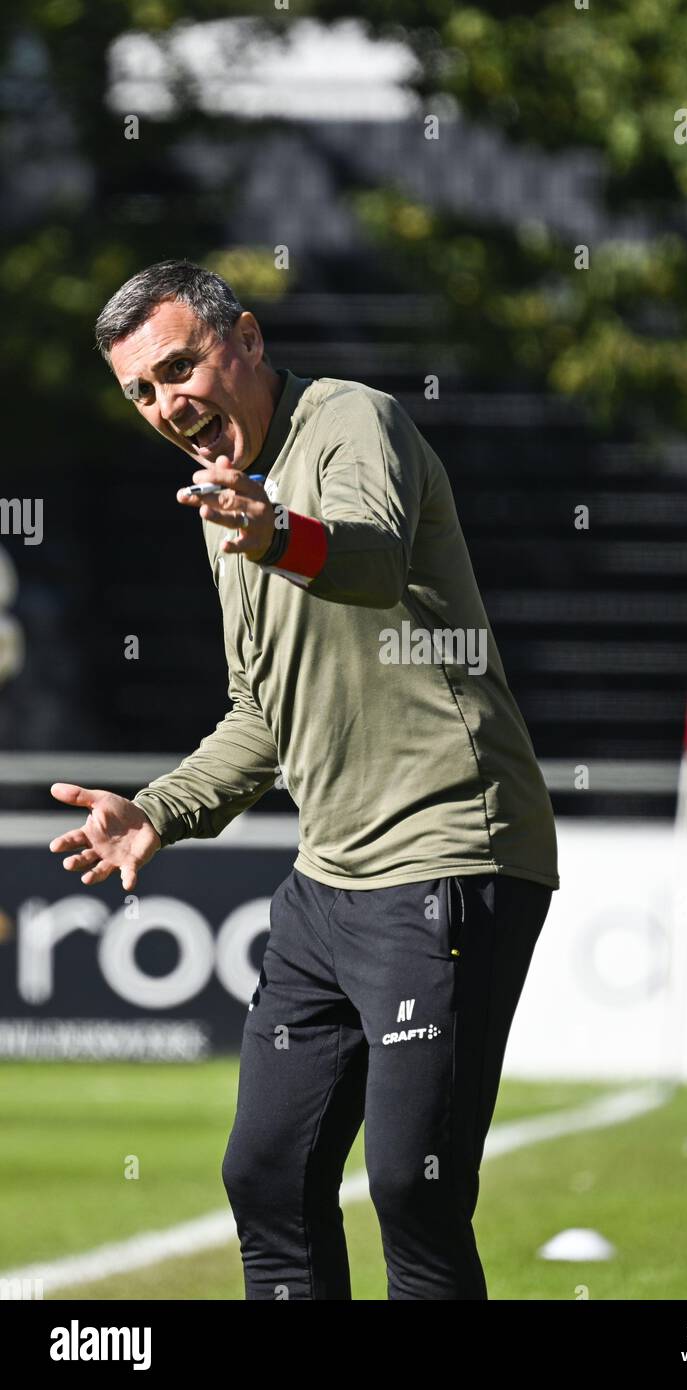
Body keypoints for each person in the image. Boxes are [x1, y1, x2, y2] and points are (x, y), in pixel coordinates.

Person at [49, 259, 559, 1300]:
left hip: (449, 849)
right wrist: (155, 811)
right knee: (267, 1178)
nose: (165, 403)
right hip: (327, 883)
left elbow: (367, 559)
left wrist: (274, 532)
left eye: (179, 365)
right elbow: (260, 713)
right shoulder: (220, 505)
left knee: (412, 1191)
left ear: (245, 339)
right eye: (141, 391)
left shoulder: (349, 421)